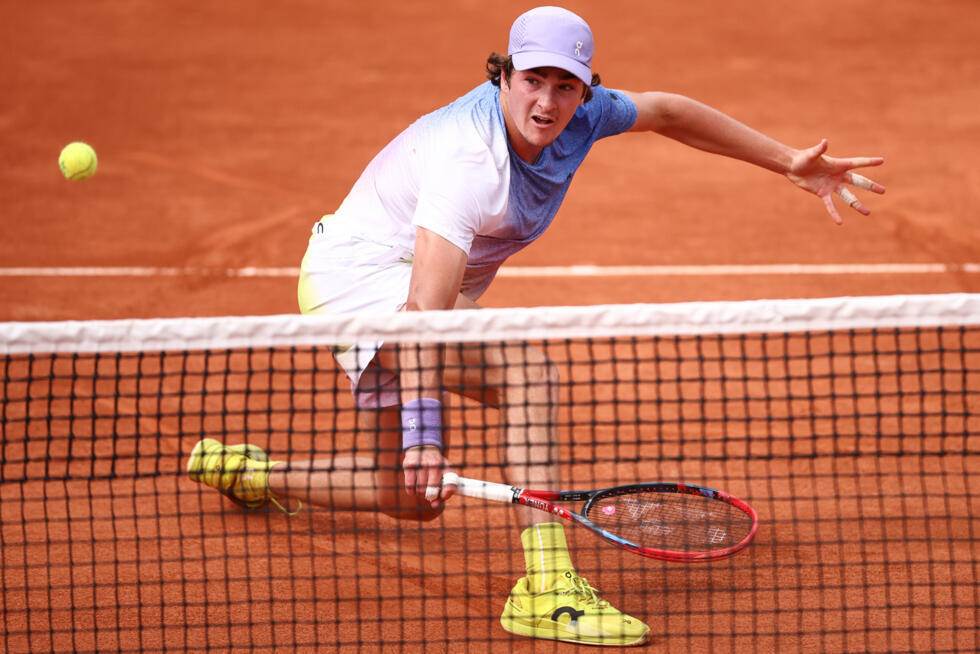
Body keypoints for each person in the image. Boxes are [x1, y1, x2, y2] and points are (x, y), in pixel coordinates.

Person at [187, 5, 885, 646]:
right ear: (503, 74)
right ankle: (547, 588)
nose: (546, 102)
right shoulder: (469, 161)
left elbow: (670, 111)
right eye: (532, 81)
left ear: (586, 89)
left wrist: (787, 160)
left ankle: (253, 474)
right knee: (527, 370)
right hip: (362, 281)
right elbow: (425, 315)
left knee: (407, 499)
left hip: (390, 279)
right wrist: (426, 435)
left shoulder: (587, 114)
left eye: (566, 85)